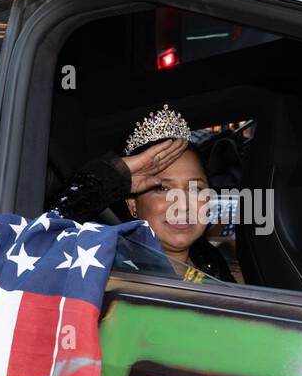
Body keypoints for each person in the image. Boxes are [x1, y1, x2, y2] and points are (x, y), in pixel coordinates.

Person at [49, 105, 235, 282]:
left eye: (195, 189)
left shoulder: (210, 259)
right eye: (163, 189)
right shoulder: (105, 265)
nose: (183, 205)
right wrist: (114, 174)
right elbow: (46, 236)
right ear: (132, 204)